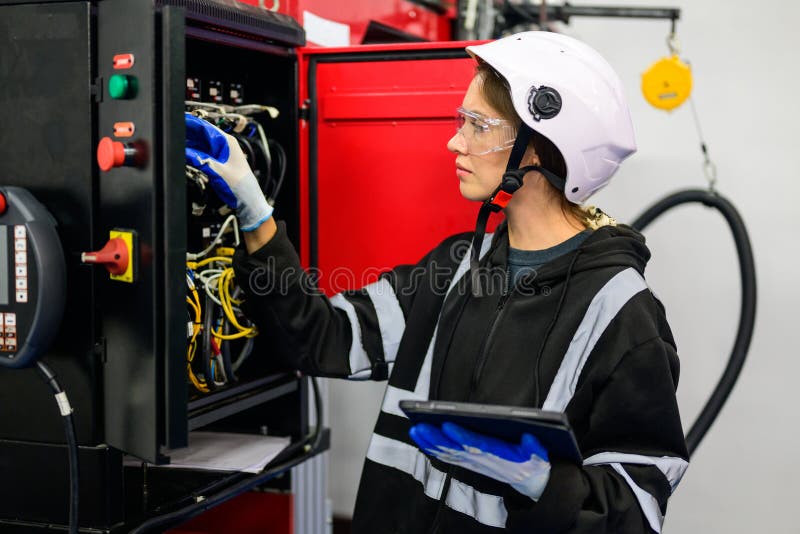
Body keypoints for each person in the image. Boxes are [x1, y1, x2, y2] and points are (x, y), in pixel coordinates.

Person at [185, 31, 689, 534]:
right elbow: (324, 339)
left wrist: (545, 485)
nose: (455, 140)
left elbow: (637, 513)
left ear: (540, 149)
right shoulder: (454, 268)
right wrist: (256, 214)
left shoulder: (623, 313)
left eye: (478, 124)